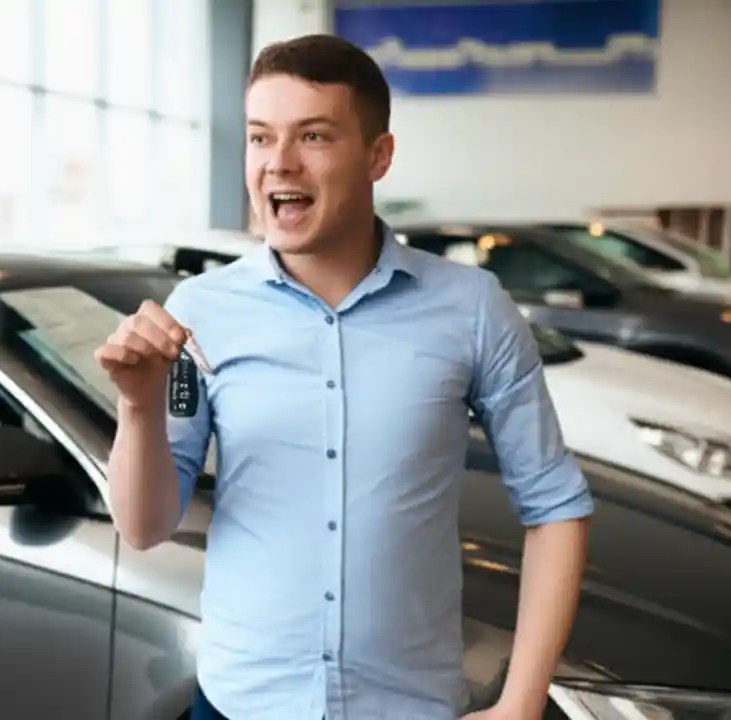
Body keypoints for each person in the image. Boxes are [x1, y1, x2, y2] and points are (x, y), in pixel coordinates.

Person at [92, 33, 594, 720]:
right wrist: (140, 409)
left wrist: (521, 703)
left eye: (315, 137)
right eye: (260, 138)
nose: (279, 164)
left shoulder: (472, 308)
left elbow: (556, 506)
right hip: (244, 705)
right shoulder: (199, 313)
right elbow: (146, 526)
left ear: (377, 156)